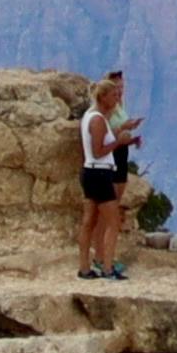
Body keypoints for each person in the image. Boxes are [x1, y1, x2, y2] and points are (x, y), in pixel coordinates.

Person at [76, 70, 131, 279]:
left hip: (89, 173)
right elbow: (99, 151)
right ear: (103, 97)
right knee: (113, 222)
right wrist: (119, 141)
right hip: (99, 174)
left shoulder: (88, 117)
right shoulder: (98, 120)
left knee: (88, 221)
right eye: (114, 95)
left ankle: (84, 267)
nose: (117, 98)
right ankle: (107, 268)